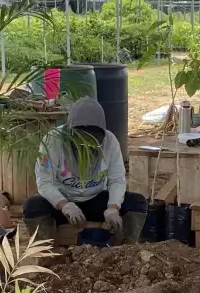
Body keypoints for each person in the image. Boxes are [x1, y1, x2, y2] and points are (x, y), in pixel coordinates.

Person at [23, 97, 147, 244]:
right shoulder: (52, 141)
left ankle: (124, 251)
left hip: (94, 199)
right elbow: (44, 181)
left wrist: (113, 207)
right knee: (33, 206)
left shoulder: (110, 141)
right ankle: (45, 253)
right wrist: (64, 205)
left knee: (137, 202)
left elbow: (117, 179)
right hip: (63, 203)